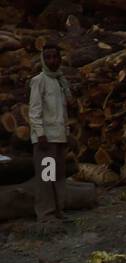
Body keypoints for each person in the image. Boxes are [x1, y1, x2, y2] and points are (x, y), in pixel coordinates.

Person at [29, 43, 71, 222]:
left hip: (59, 137)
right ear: (43, 60)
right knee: (47, 177)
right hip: (45, 139)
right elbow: (34, 110)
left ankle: (59, 211)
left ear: (60, 58)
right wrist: (40, 134)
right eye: (48, 57)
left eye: (55, 56)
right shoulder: (39, 80)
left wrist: (67, 133)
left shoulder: (60, 81)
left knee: (59, 176)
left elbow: (63, 112)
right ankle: (46, 214)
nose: (52, 60)